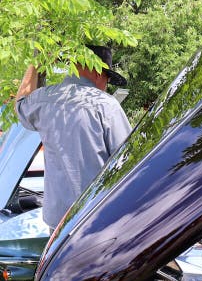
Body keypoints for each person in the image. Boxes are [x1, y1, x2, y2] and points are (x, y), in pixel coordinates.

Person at [14, 45, 131, 231]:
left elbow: (20, 105)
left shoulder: (43, 99)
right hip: (96, 218)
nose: (106, 86)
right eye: (108, 80)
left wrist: (35, 64)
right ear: (98, 73)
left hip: (58, 224)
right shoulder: (106, 105)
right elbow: (128, 162)